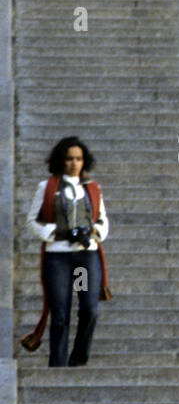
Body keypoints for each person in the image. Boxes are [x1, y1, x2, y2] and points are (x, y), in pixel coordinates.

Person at [22, 136, 112, 367]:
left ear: (84, 161)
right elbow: (32, 221)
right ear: (61, 161)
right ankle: (59, 363)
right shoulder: (47, 187)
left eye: (79, 159)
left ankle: (78, 359)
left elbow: (102, 221)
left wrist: (93, 232)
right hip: (59, 258)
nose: (74, 163)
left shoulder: (92, 188)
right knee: (60, 312)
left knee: (89, 307)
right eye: (70, 158)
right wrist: (53, 231)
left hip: (83, 259)